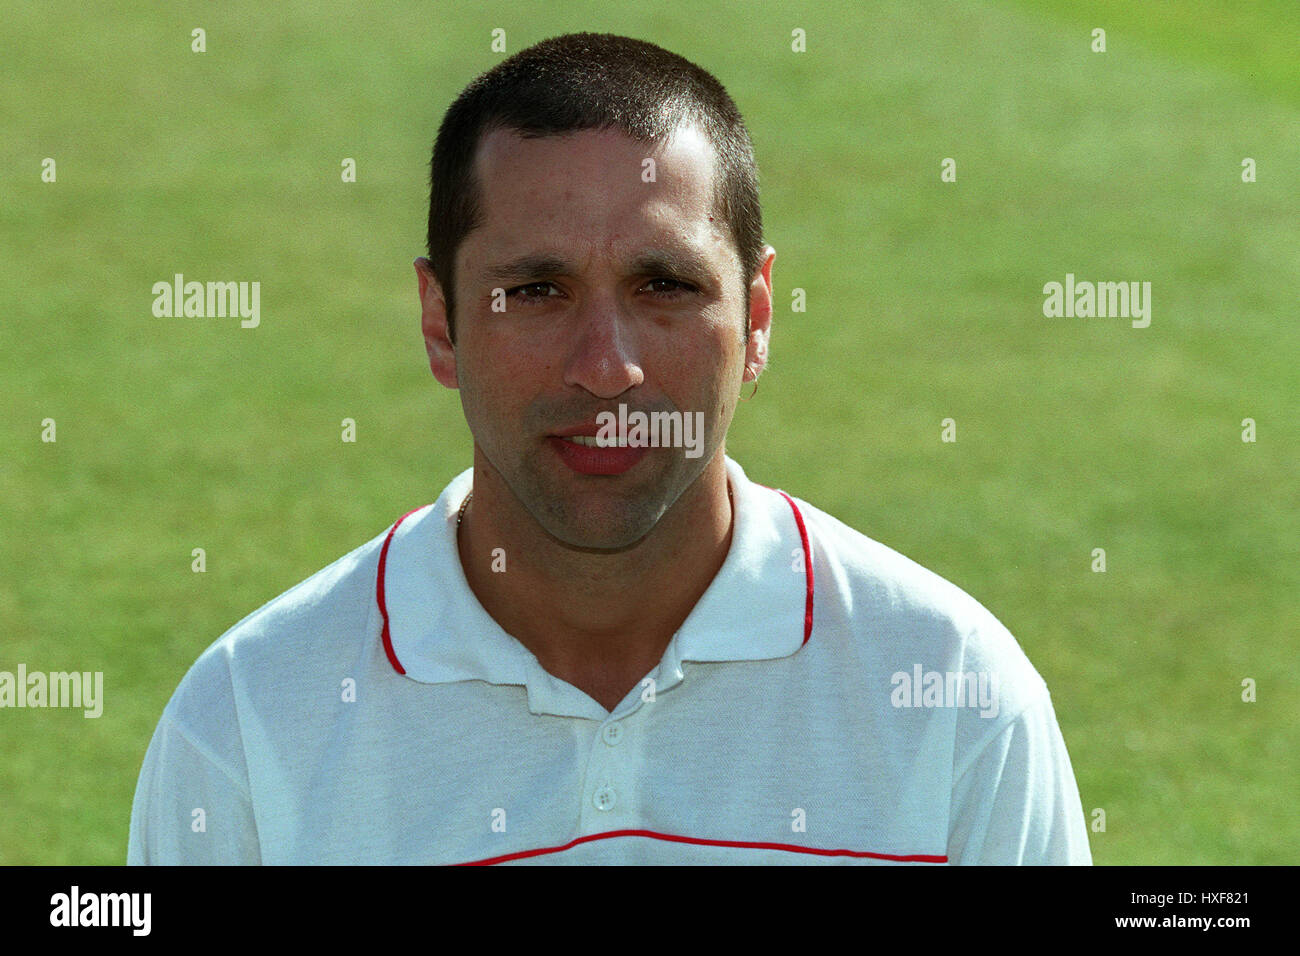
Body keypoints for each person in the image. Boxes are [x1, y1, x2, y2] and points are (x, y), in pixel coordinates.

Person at [128, 32, 1091, 865]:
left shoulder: (954, 694)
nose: (606, 368)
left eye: (664, 285)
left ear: (756, 320)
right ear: (440, 322)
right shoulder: (251, 719)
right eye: (536, 291)